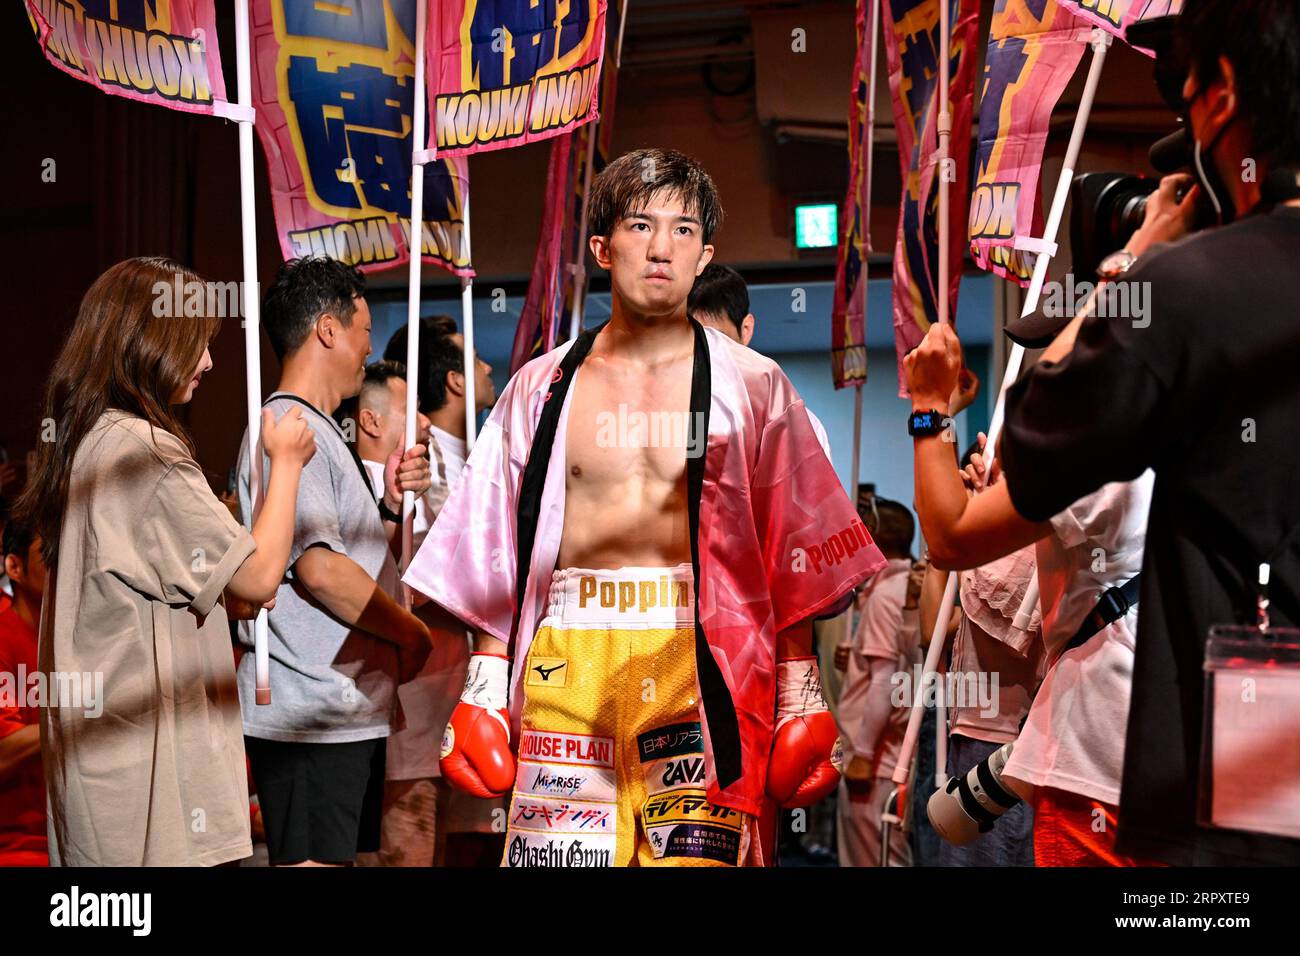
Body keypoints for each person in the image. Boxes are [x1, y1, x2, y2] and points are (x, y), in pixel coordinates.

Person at [406, 147, 885, 867]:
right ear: (602, 247)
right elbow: (496, 548)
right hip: (566, 656)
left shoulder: (755, 386)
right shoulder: (540, 386)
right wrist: (481, 683)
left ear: (705, 254)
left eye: (684, 230)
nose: (662, 247)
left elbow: (793, 552)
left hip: (698, 661)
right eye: (640, 225)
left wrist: (802, 691)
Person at [908, 0, 1300, 866]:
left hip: (1191, 775)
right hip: (1254, 757)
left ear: (1226, 94)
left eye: (1188, 86)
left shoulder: (1190, 295)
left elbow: (962, 524)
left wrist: (1145, 259)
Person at [12, 257, 317, 866]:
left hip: (110, 787)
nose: (207, 362)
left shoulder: (91, 440)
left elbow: (206, 588)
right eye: (197, 345)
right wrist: (285, 463)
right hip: (157, 800)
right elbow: (256, 580)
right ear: (150, 342)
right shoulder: (143, 452)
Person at [234, 257, 433, 867]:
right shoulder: (287, 428)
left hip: (341, 708)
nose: (369, 351)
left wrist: (390, 509)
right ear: (327, 330)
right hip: (310, 707)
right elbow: (320, 570)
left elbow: (336, 552)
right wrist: (410, 634)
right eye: (365, 332)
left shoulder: (314, 431)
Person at [385, 321, 509, 865]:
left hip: (475, 682)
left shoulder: (482, 453)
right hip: (424, 682)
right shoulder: (416, 455)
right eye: (476, 360)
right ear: (455, 382)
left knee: (470, 841)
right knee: (412, 842)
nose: (488, 369)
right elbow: (425, 571)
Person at [834, 498, 922, 867]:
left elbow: (885, 682)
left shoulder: (888, 594)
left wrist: (863, 756)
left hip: (877, 761)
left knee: (874, 858)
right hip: (889, 756)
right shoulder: (898, 588)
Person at [688, 262, 831, 457]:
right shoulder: (663, 417)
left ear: (745, 330)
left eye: (717, 339)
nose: (703, 352)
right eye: (690, 339)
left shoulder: (794, 425)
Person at [0, 515, 46, 865]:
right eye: (49, 554)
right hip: (19, 845)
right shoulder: (3, 638)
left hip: (91, 836)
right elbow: (4, 751)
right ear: (14, 567)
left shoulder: (89, 638)